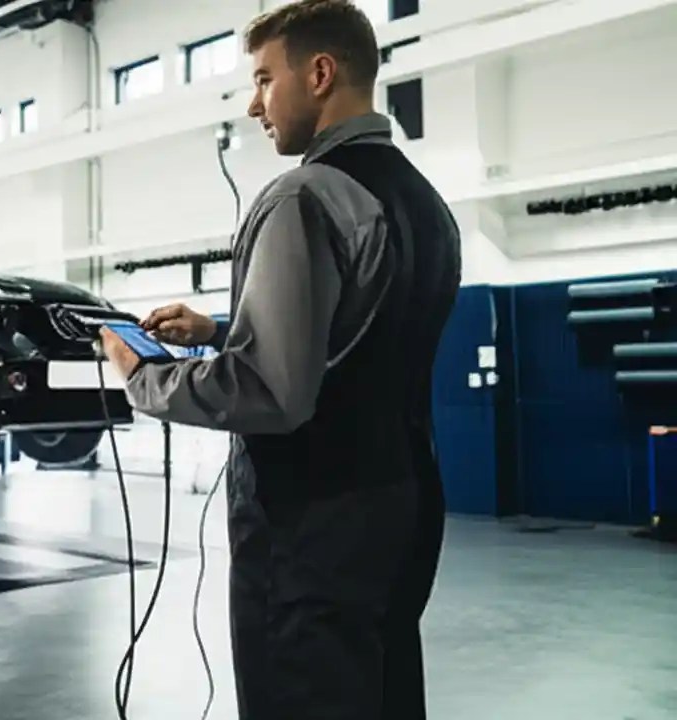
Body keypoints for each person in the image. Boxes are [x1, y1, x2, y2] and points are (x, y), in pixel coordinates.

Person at [97, 1, 462, 718]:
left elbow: (273, 392)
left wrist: (145, 374)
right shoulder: (426, 204)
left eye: (265, 79)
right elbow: (359, 335)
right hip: (402, 503)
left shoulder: (303, 194)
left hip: (309, 524)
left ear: (320, 74)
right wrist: (221, 330)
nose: (254, 103)